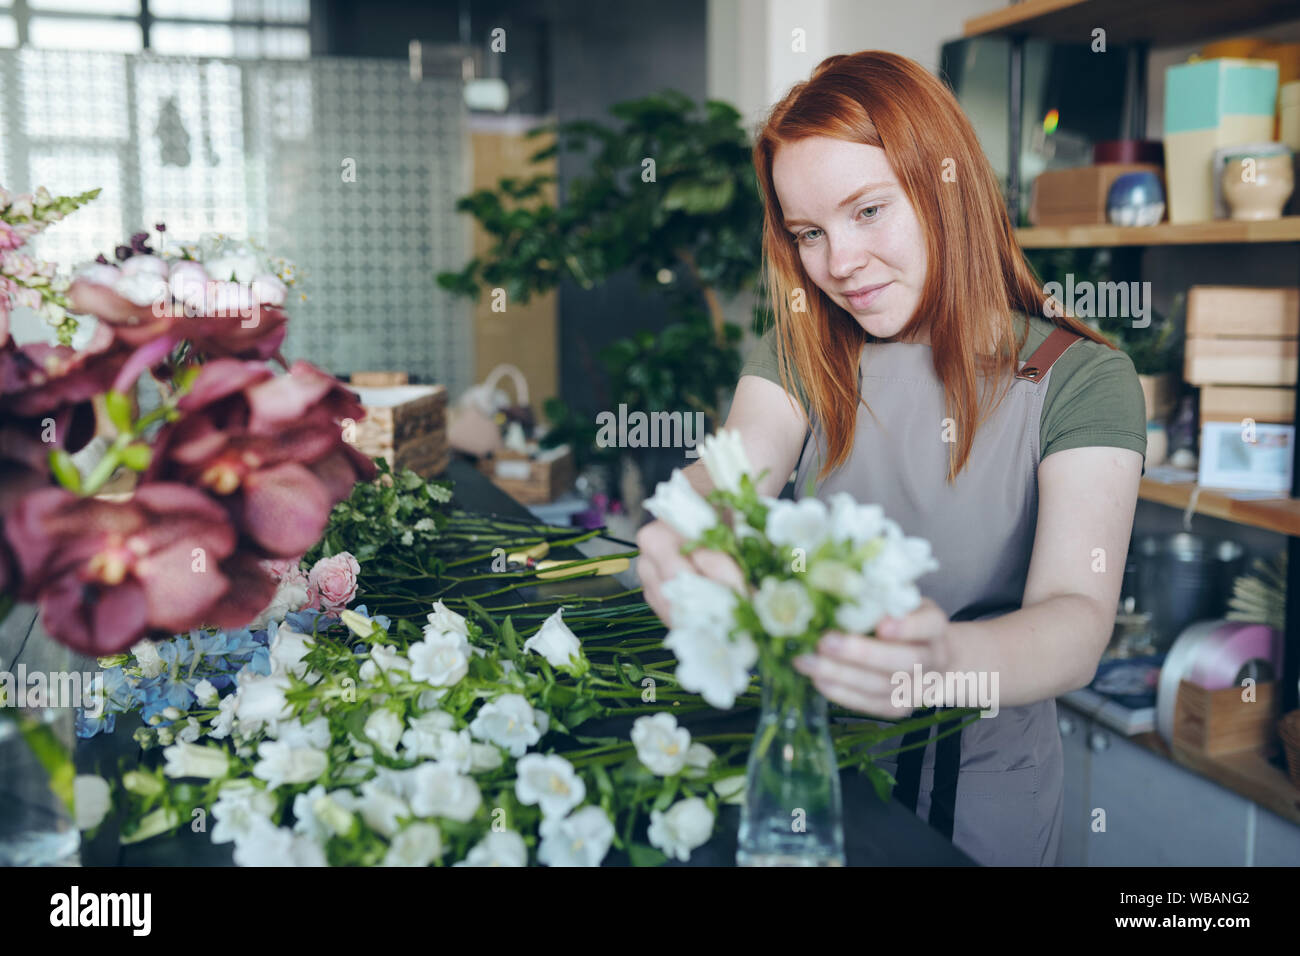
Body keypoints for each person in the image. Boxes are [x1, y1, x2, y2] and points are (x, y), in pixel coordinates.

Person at [634, 50, 1146, 867]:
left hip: (984, 794)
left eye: (867, 211)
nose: (838, 263)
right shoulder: (803, 357)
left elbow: (1076, 622)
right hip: (812, 768)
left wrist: (947, 661)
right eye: (809, 232)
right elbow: (735, 469)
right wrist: (685, 522)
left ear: (946, 184)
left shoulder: (1080, 378)